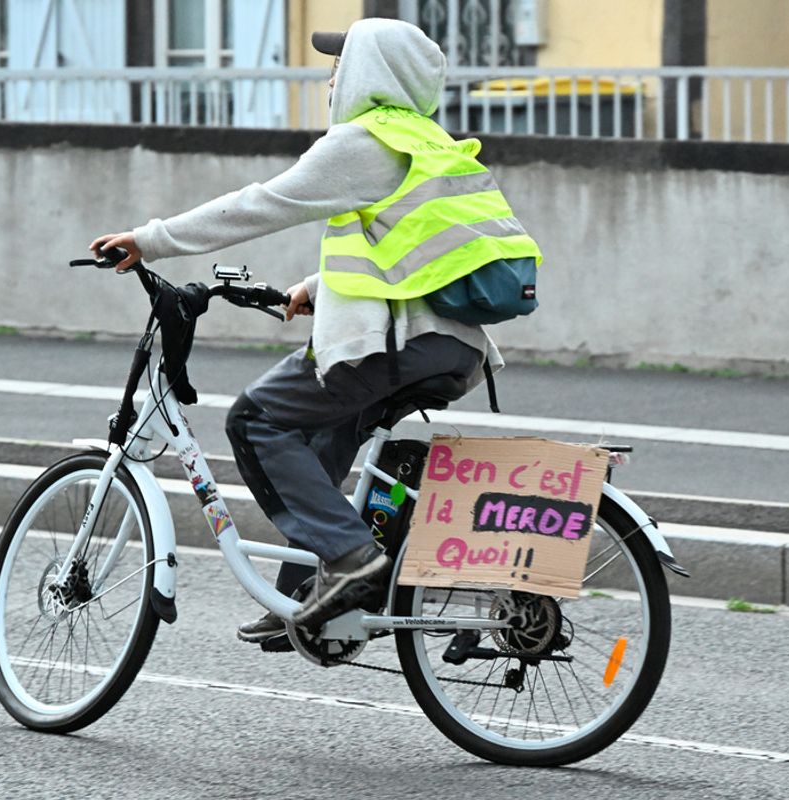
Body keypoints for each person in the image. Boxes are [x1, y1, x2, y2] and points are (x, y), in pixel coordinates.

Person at [90, 18, 541, 640]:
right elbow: (420, 253)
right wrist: (318, 285)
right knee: (323, 440)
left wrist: (150, 241)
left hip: (395, 345)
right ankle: (305, 602)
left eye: (340, 65)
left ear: (371, 74)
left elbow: (263, 203)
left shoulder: (363, 141)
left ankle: (354, 562)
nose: (331, 78)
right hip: (455, 349)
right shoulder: (431, 145)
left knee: (257, 420)